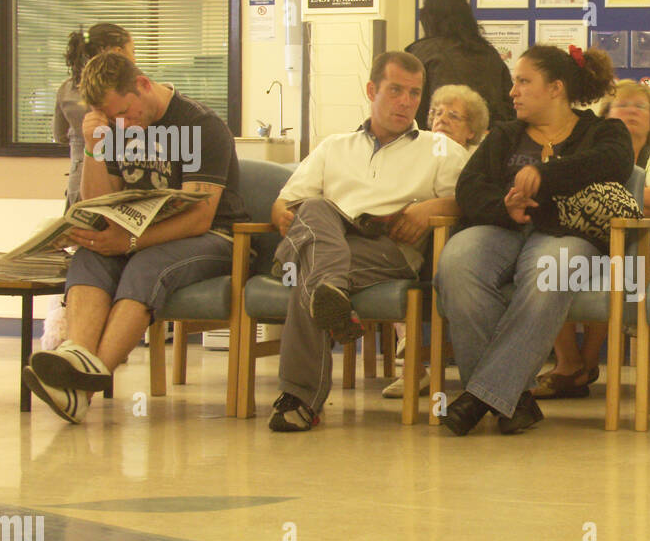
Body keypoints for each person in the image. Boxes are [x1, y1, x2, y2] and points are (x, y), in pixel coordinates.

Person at [24, 53, 248, 424]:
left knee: (145, 264)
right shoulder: (114, 127)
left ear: (143, 84)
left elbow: (199, 216)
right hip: (142, 236)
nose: (125, 125)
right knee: (90, 253)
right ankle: (77, 357)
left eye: (127, 113)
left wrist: (129, 243)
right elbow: (97, 205)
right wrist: (95, 147)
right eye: (115, 119)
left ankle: (82, 386)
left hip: (215, 238)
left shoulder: (201, 125)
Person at [433, 45, 631, 435]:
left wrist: (546, 174)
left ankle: (479, 397)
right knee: (456, 264)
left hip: (567, 235)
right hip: (503, 227)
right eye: (514, 83)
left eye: (523, 82)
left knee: (549, 271)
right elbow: (470, 188)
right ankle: (513, 398)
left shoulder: (602, 130)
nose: (513, 92)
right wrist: (504, 206)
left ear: (555, 88)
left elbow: (615, 163)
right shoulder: (506, 134)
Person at [265, 52, 467, 431]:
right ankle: (330, 292)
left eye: (414, 93)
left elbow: (471, 201)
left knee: (313, 268)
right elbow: (286, 203)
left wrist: (430, 208)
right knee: (315, 213)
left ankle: (300, 397)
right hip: (334, 239)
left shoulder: (440, 149)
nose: (406, 102)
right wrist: (280, 211)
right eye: (395, 90)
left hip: (389, 248)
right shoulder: (334, 146)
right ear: (372, 90)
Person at [535, 81, 650, 398]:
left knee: (613, 263)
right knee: (548, 263)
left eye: (640, 106)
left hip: (647, 248)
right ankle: (570, 363)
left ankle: (584, 363)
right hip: (591, 242)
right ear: (605, 117)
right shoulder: (591, 155)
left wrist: (598, 199)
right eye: (622, 105)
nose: (631, 111)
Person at [382, 82, 489, 401]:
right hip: (403, 234)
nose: (440, 119)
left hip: (455, 242)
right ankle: (409, 356)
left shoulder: (477, 159)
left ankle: (411, 357)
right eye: (436, 113)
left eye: (453, 115)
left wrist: (427, 212)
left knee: (401, 250)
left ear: (472, 130)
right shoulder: (412, 151)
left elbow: (472, 202)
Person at [406, 0, 515, 128]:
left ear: (428, 20)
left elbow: (412, 108)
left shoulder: (422, 53)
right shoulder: (490, 54)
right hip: (487, 141)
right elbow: (509, 107)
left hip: (438, 139)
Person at [54, 24, 134, 206]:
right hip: (116, 180)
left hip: (78, 178)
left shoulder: (66, 88)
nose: (134, 59)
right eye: (133, 51)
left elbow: (60, 135)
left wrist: (79, 138)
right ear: (117, 52)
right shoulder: (124, 92)